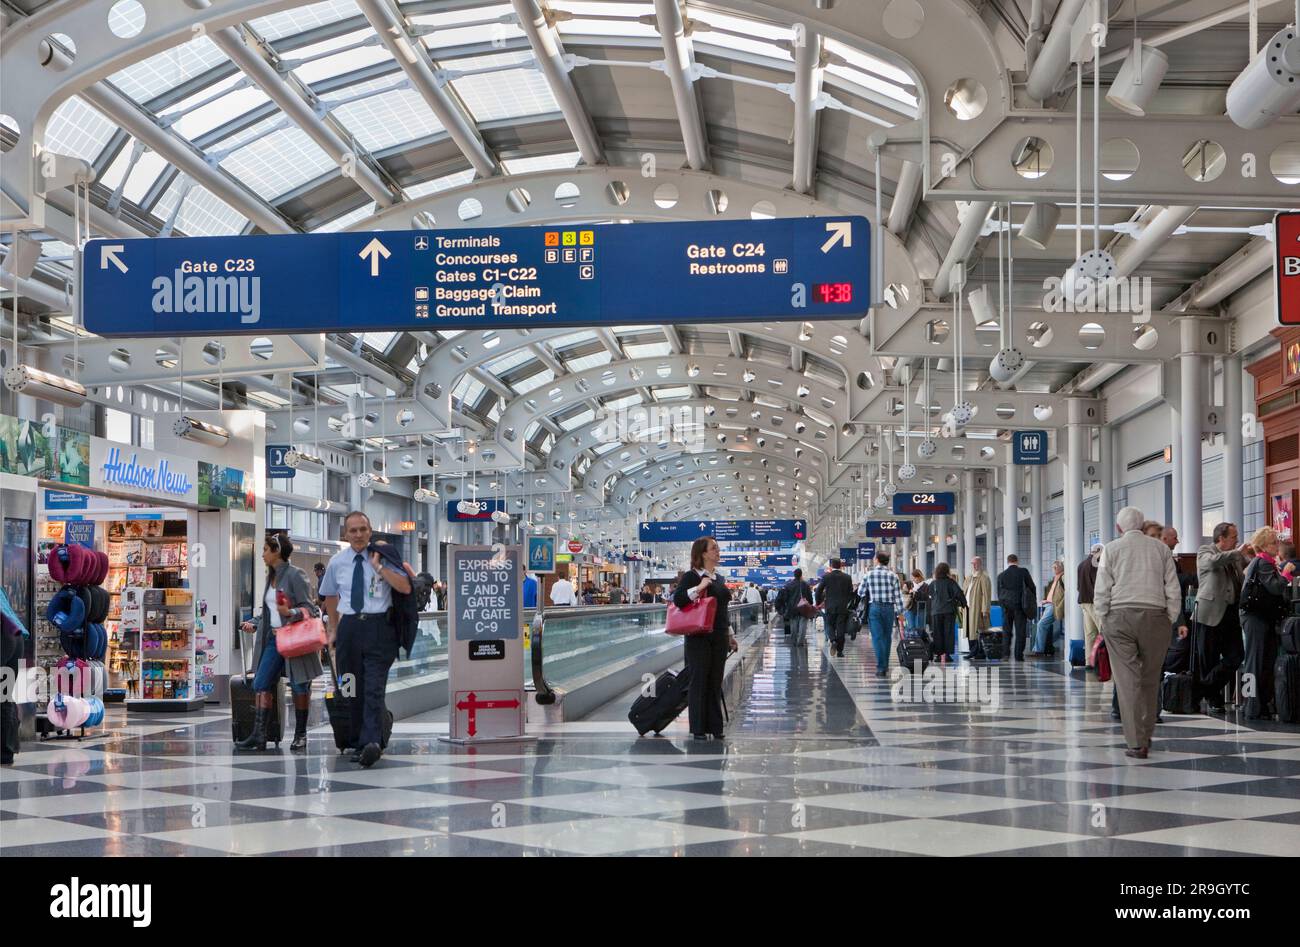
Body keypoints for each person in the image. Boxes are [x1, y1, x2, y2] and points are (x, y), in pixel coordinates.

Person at [320, 511, 412, 768]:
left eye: (363, 529)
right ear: (346, 534)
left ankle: (371, 742)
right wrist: (334, 629)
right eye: (353, 530)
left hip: (379, 628)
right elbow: (329, 595)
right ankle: (359, 738)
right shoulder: (337, 562)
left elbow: (404, 587)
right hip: (350, 627)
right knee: (351, 686)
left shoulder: (383, 557)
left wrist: (379, 567)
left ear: (370, 531)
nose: (359, 535)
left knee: (373, 686)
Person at [1094, 506, 1185, 759]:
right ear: (1143, 524)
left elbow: (1102, 589)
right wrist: (1169, 618)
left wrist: (1103, 617)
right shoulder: (1160, 549)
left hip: (1119, 618)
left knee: (1127, 682)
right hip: (1155, 616)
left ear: (1119, 528)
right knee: (1150, 680)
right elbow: (1172, 587)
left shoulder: (1111, 549)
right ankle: (1146, 735)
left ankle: (1136, 743)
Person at [237, 533, 322, 753]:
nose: (263, 554)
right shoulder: (270, 577)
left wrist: (291, 612)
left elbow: (310, 609)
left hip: (295, 639)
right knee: (260, 683)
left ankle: (301, 734)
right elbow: (269, 611)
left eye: (265, 549)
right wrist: (256, 622)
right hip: (273, 639)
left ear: (277, 551)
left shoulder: (295, 575)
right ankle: (259, 734)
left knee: (299, 685)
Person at [672, 537, 738, 741]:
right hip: (698, 637)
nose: (718, 551)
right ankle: (698, 727)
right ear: (703, 553)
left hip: (718, 635)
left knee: (715, 680)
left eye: (718, 548)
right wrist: (699, 587)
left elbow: (722, 611)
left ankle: (715, 726)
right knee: (699, 680)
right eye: (714, 548)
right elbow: (679, 600)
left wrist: (730, 635)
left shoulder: (718, 579)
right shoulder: (692, 577)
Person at [1239, 526, 1294, 719]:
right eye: (1273, 542)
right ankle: (1251, 705)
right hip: (1255, 617)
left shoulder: (1266, 563)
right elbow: (1276, 588)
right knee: (1254, 662)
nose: (1277, 545)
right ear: (1263, 545)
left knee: (1261, 661)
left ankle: (1256, 704)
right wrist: (1286, 573)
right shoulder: (1262, 562)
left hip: (1260, 616)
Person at [1195, 522, 1250, 714]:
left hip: (1231, 612)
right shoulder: (1205, 551)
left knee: (1236, 656)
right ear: (1221, 538)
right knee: (1208, 658)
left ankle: (1203, 688)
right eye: (1234, 537)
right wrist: (1237, 553)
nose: (1237, 540)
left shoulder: (1235, 556)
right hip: (1209, 613)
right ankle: (1213, 698)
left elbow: (1245, 572)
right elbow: (1211, 563)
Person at [863, 553, 905, 677]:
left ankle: (881, 667)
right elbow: (898, 596)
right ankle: (884, 665)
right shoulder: (893, 576)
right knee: (887, 636)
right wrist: (900, 613)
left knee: (877, 637)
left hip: (874, 607)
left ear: (877, 560)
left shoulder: (869, 574)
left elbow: (860, 592)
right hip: (889, 608)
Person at [996, 554, 1036, 660]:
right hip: (1020, 606)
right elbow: (1032, 587)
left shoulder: (1001, 575)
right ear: (1017, 561)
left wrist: (1003, 605)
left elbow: (999, 593)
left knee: (1006, 631)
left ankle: (1005, 654)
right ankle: (1018, 655)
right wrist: (1032, 603)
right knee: (1020, 631)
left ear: (1007, 562)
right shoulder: (1023, 572)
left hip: (1006, 607)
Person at [927, 562, 967, 664]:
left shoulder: (933, 583)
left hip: (936, 611)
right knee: (948, 633)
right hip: (949, 611)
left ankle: (939, 655)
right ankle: (948, 655)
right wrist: (964, 604)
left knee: (937, 633)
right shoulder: (951, 582)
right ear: (947, 571)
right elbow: (959, 593)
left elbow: (929, 595)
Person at [815, 558, 855, 657]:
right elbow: (851, 593)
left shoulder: (826, 577)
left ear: (831, 566)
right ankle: (840, 651)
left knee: (829, 625)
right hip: (842, 607)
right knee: (840, 627)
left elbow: (818, 590)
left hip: (830, 606)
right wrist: (846, 602)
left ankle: (832, 640)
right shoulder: (847, 577)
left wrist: (818, 602)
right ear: (841, 565)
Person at [1031, 561, 1066, 657]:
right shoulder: (1056, 578)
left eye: (1055, 567)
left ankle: (1039, 650)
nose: (1054, 569)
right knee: (1044, 625)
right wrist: (1046, 600)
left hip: (1054, 606)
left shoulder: (1063, 577)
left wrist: (1057, 603)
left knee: (1041, 624)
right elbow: (1054, 593)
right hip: (1049, 604)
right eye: (1053, 567)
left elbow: (1065, 593)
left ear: (1060, 567)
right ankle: (1041, 648)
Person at [1078, 544, 1103, 669]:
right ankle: (1103, 661)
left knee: (1090, 634)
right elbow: (1099, 585)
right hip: (1095, 602)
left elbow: (1078, 586)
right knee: (1103, 631)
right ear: (1098, 552)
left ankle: (1089, 661)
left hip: (1084, 601)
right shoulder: (1096, 565)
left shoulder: (1081, 564)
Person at [962, 556, 992, 659]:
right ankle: (973, 651)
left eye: (976, 563)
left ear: (980, 564)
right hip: (967, 608)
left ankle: (976, 651)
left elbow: (986, 595)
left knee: (977, 630)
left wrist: (985, 610)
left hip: (977, 608)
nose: (974, 565)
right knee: (969, 630)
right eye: (972, 563)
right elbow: (964, 592)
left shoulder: (984, 577)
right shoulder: (969, 577)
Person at [782, 568, 814, 646]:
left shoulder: (789, 585)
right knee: (803, 625)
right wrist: (810, 603)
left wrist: (787, 605)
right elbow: (810, 597)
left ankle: (794, 641)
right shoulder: (805, 584)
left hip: (793, 608)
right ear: (801, 575)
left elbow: (785, 598)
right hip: (803, 608)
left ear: (794, 575)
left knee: (793, 625)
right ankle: (800, 642)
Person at [905, 568, 930, 635]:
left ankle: (920, 643)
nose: (913, 579)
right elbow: (904, 594)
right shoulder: (909, 585)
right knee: (911, 626)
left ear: (919, 577)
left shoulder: (926, 586)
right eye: (912, 577)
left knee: (920, 627)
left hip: (921, 609)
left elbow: (926, 597)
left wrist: (916, 593)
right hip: (910, 608)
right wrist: (909, 592)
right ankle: (912, 643)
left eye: (915, 578)